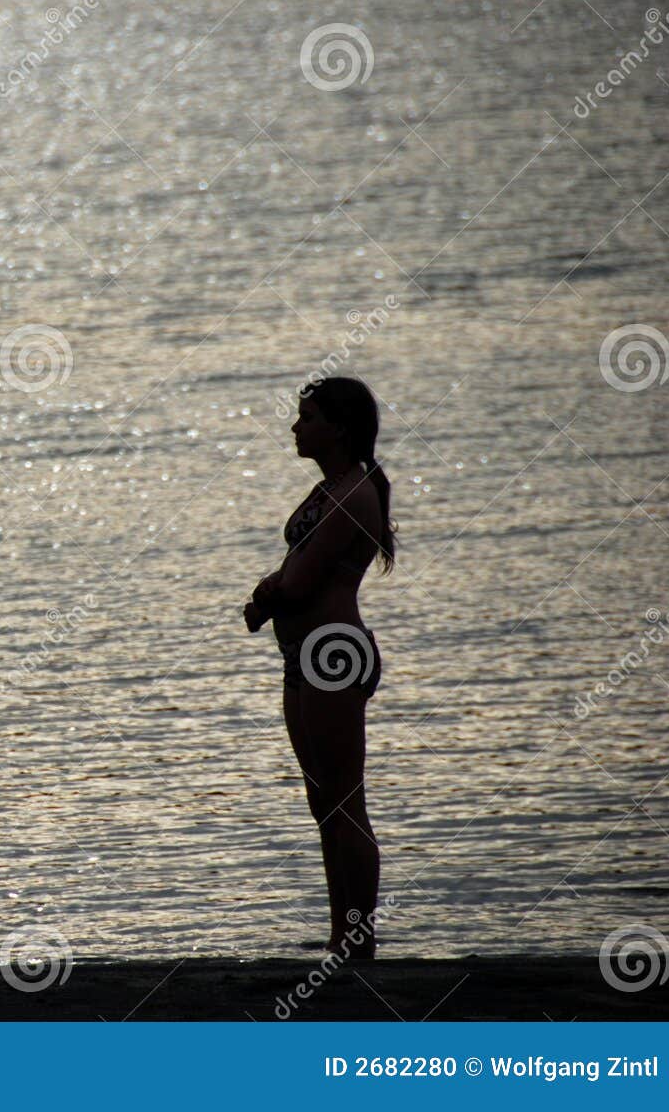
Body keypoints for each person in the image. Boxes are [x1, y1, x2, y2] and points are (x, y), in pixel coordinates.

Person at [244, 377, 395, 958]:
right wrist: (273, 594)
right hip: (304, 655)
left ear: (337, 426)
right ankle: (342, 933)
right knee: (322, 801)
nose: (295, 426)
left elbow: (301, 579)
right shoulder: (329, 487)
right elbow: (299, 567)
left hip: (334, 651)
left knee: (345, 801)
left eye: (306, 417)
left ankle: (358, 936)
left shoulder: (355, 492)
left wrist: (266, 592)